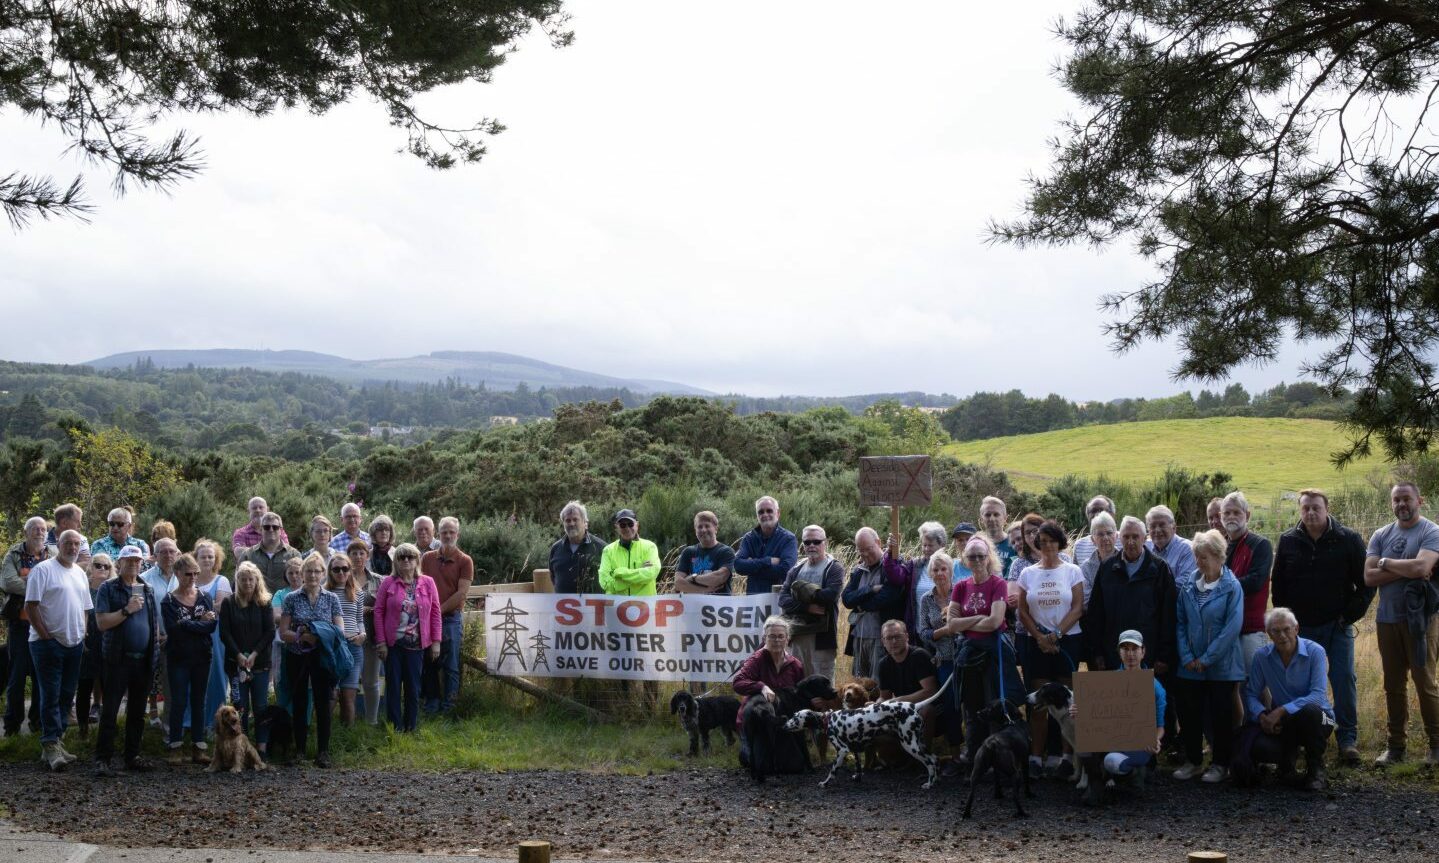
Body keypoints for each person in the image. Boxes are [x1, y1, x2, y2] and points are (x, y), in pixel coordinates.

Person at [1271, 488, 1372, 764]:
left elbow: (1366, 584)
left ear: (1327, 508)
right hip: (1300, 630)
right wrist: (1288, 622)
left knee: (1343, 680)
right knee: (1301, 686)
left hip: (1336, 625)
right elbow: (1278, 586)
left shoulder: (1347, 539)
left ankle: (1347, 740)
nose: (1311, 513)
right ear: (1300, 510)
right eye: (1305, 508)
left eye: (1316, 507)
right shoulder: (1288, 540)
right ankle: (1305, 737)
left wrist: (1347, 616)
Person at [1084, 515, 1179, 750]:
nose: (1131, 542)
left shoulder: (1159, 569)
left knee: (1152, 704)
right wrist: (1096, 652)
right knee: (1119, 707)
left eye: (1136, 537)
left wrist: (1164, 655)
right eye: (1126, 537)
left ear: (1145, 538)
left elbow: (1169, 616)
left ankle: (1158, 749)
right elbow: (1096, 614)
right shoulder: (1107, 568)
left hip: (1150, 653)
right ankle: (1120, 749)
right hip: (1113, 651)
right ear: (1119, 538)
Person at [1364, 481, 1439, 766]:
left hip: (1421, 621)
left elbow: (1422, 568)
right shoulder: (1381, 534)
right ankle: (1396, 747)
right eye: (1396, 500)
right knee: (1393, 684)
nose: (1401, 505)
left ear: (1420, 500)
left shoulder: (1431, 531)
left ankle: (1436, 745)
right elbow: (1369, 578)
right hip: (1387, 619)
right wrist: (1403, 566)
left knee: (1425, 682)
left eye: (1406, 499)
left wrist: (1385, 562)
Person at [935, 534, 1024, 765]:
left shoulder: (998, 583)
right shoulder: (961, 587)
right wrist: (979, 618)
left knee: (995, 706)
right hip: (969, 654)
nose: (976, 560)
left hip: (994, 652)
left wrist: (966, 621)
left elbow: (995, 622)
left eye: (980, 556)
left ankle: (1000, 761)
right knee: (971, 710)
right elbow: (951, 626)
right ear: (965, 559)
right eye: (971, 556)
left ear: (988, 558)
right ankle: (975, 760)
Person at [1171, 529, 1245, 784]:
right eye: (1197, 557)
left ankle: (1220, 763)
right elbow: (1180, 622)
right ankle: (1192, 761)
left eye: (1204, 557)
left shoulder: (1232, 586)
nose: (1199, 562)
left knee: (1220, 716)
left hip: (1221, 666)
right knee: (1189, 715)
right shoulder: (1190, 584)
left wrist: (1207, 659)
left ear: (1219, 556)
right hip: (1189, 665)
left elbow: (1232, 628)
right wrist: (1187, 656)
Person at [1016, 520, 1085, 776]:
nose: (1046, 545)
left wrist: (1056, 634)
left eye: (1051, 540)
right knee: (1038, 702)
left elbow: (1078, 608)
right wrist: (1040, 637)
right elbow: (1022, 611)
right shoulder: (1027, 574)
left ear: (1060, 542)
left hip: (1068, 640)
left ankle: (1068, 756)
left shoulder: (1073, 571)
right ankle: (1036, 757)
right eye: (1042, 541)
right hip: (1037, 643)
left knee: (1068, 703)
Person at [1238, 608, 1335, 790]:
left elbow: (1317, 695)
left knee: (1309, 712)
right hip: (1284, 723)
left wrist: (1281, 710)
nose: (1282, 636)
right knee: (1258, 746)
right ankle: (1286, 766)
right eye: (1276, 631)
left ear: (1296, 629)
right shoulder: (1262, 657)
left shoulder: (1316, 652)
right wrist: (1262, 716)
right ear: (1268, 634)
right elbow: (1251, 693)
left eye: (1286, 629)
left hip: (1320, 717)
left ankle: (1316, 769)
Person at [92, 545, 162, 775]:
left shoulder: (148, 588)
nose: (133, 564)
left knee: (137, 713)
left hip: (143, 660)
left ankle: (132, 756)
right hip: (117, 659)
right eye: (128, 560)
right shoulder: (108, 588)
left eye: (137, 561)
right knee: (110, 711)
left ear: (142, 563)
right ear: (119, 563)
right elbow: (101, 623)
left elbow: (153, 623)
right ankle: (102, 760)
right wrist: (126, 610)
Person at [24, 529, 91, 770]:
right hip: (47, 644)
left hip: (74, 644)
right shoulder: (43, 570)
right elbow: (31, 607)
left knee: (66, 695)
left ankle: (57, 740)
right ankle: (50, 743)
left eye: (76, 544)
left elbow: (85, 607)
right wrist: (46, 637)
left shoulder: (80, 574)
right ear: (59, 545)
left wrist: (82, 633)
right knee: (50, 695)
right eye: (68, 543)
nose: (72, 548)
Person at [1075, 630, 1166, 804]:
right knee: (1084, 745)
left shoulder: (1155, 686)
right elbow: (1093, 713)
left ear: (1143, 651)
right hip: (1112, 739)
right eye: (1125, 649)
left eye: (1135, 649)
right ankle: (1095, 785)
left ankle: (1134, 774)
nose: (1130, 654)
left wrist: (1155, 739)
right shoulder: (1107, 681)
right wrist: (1078, 710)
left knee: (1112, 761)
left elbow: (1160, 725)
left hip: (1139, 742)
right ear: (1119, 653)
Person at [278, 553, 345, 767]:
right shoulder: (291, 598)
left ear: (323, 574)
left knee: (323, 702)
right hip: (297, 656)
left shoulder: (332, 598)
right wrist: (302, 636)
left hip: (323, 657)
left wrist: (320, 634)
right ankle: (299, 750)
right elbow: (283, 632)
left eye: (317, 571)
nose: (313, 575)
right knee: (299, 702)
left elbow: (340, 630)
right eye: (309, 571)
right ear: (302, 574)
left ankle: (323, 752)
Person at [375, 542, 441, 732]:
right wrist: (381, 642)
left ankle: (411, 726)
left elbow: (435, 612)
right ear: (396, 561)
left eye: (410, 557)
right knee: (394, 687)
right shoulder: (388, 582)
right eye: (401, 557)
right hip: (393, 644)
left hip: (417, 645)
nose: (406, 560)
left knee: (413, 688)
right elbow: (379, 612)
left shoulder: (428, 582)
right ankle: (395, 727)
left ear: (416, 560)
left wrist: (436, 642)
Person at [161, 552, 217, 764]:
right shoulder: (168, 601)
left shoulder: (204, 597)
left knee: (198, 701)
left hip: (202, 656)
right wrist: (197, 622)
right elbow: (173, 631)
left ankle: (198, 746)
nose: (192, 578)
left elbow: (211, 626)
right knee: (178, 701)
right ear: (177, 573)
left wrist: (186, 623)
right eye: (187, 574)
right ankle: (175, 747)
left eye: (195, 573)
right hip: (178, 658)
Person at [732, 616, 808, 770]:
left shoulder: (796, 665)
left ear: (787, 639)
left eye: (781, 636)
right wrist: (761, 686)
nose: (777, 640)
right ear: (764, 638)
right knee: (762, 766)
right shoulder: (756, 659)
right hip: (756, 720)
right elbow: (738, 682)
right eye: (772, 636)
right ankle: (747, 750)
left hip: (780, 720)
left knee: (794, 767)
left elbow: (799, 694)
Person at [421, 516, 474, 713]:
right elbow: (420, 586)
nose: (448, 535)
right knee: (430, 662)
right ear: (438, 534)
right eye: (444, 532)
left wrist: (437, 611)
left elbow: (462, 593)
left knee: (451, 664)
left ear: (457, 535)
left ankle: (450, 706)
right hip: (427, 619)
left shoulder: (465, 561)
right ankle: (432, 703)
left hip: (451, 618)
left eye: (452, 532)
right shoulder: (427, 558)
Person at [777, 525, 844, 680]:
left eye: (816, 541)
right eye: (807, 542)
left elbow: (831, 595)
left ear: (825, 543)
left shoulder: (834, 567)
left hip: (821, 639)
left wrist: (804, 593)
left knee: (822, 688)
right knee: (797, 685)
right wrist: (807, 607)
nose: (811, 545)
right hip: (797, 637)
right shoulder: (796, 569)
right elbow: (783, 599)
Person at [2, 515, 48, 736]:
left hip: (44, 624)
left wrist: (28, 581)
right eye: (35, 529)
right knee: (16, 677)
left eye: (42, 529)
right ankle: (11, 727)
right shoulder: (13, 554)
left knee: (41, 676)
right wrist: (40, 584)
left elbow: (58, 581)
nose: (39, 532)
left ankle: (37, 723)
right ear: (26, 532)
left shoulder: (53, 554)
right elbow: (7, 582)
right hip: (19, 625)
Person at [219, 562, 274, 747]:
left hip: (260, 663)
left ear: (257, 580)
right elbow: (224, 633)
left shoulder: (265, 602)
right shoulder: (229, 603)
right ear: (238, 580)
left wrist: (255, 654)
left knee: (260, 706)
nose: (247, 583)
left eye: (251, 579)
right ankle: (241, 746)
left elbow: (270, 632)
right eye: (243, 579)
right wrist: (238, 655)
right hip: (236, 665)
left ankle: (261, 746)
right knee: (239, 708)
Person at [916, 550, 963, 761]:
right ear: (931, 573)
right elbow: (923, 632)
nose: (940, 573)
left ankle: (974, 751)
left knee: (970, 705)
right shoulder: (926, 599)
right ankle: (955, 755)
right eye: (935, 569)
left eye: (944, 568)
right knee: (951, 707)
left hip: (967, 656)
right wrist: (944, 631)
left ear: (951, 571)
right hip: (943, 660)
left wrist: (958, 627)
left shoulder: (962, 591)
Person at [1221, 491, 1274, 672]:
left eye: (1237, 512)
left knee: (1254, 685)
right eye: (1226, 513)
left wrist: (1220, 586)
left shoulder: (1260, 545)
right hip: (1225, 631)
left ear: (1248, 515)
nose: (1231, 517)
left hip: (1250, 629)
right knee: (1231, 688)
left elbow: (1255, 582)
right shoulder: (1220, 547)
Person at [842, 527, 902, 678]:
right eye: (861, 550)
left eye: (869, 549)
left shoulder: (892, 565)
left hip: (881, 638)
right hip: (859, 637)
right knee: (859, 686)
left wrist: (861, 605)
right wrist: (871, 589)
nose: (866, 554)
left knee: (878, 683)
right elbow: (847, 599)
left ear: (878, 543)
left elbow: (887, 597)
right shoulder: (858, 570)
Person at [192, 538, 232, 738]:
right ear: (195, 558)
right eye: (203, 556)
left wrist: (193, 610)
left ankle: (214, 724)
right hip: (191, 636)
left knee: (216, 677)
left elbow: (220, 607)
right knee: (194, 679)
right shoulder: (189, 579)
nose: (207, 560)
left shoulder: (221, 581)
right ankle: (192, 723)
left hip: (215, 635)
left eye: (211, 556)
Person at [883, 521, 950, 637]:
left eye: (930, 545)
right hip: (919, 632)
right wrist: (890, 552)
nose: (926, 549)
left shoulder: (951, 566)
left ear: (942, 545)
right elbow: (896, 577)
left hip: (947, 634)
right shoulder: (915, 565)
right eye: (924, 545)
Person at [141, 537, 180, 728]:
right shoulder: (145, 579)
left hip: (176, 638)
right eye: (163, 552)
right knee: (151, 676)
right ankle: (153, 712)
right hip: (153, 636)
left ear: (177, 553)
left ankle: (171, 718)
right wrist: (155, 634)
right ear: (155, 556)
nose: (168, 555)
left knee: (172, 680)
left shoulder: (184, 576)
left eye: (172, 551)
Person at [326, 552, 367, 726]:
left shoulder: (357, 593)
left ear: (350, 571)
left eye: (345, 569)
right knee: (331, 694)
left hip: (354, 646)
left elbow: (359, 619)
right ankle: (324, 733)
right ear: (330, 571)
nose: (341, 572)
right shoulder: (324, 592)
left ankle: (348, 737)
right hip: (333, 647)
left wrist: (363, 635)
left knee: (349, 694)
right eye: (337, 569)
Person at [345, 538, 383, 725]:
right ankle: (347, 721)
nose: (358, 557)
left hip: (372, 637)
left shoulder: (379, 580)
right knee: (347, 684)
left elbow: (384, 607)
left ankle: (372, 722)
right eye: (354, 553)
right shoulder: (341, 578)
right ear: (348, 556)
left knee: (370, 682)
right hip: (348, 639)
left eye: (362, 553)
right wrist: (365, 609)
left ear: (367, 556)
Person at [76, 553, 111, 736]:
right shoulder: (82, 587)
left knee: (108, 686)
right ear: (91, 567)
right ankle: (83, 729)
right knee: (84, 686)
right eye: (98, 565)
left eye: (106, 566)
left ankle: (107, 730)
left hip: (107, 642)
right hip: (87, 642)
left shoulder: (112, 588)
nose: (102, 569)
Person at [733, 496, 797, 595]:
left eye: (769, 511)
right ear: (757, 516)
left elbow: (786, 570)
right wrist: (768, 561)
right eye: (761, 512)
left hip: (778, 599)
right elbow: (738, 565)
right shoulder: (749, 538)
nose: (765, 514)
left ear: (778, 513)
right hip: (753, 600)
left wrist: (752, 568)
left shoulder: (788, 538)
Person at [597, 509, 660, 596]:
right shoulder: (608, 550)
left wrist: (619, 572)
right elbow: (605, 583)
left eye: (630, 524)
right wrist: (638, 575)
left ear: (637, 525)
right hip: (617, 607)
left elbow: (650, 574)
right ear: (616, 527)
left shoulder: (650, 547)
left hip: (644, 607)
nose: (627, 528)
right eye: (623, 525)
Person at [549, 501, 607, 594]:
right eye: (568, 520)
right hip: (563, 606)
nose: (571, 523)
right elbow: (553, 577)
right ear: (563, 524)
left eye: (575, 519)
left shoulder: (601, 548)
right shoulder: (556, 548)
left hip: (592, 607)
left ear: (585, 522)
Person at [270, 557, 304, 715]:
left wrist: (288, 619)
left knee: (304, 681)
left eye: (298, 572)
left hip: (305, 644)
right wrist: (299, 620)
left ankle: (303, 718)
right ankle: (283, 715)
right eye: (291, 573)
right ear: (286, 575)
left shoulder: (309, 591)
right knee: (283, 679)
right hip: (283, 644)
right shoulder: (280, 594)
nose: (295, 576)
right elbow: (276, 616)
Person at [236, 512, 300, 595]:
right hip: (255, 604)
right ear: (261, 530)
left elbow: (301, 583)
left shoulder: (293, 555)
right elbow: (238, 582)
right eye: (266, 527)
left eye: (275, 527)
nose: (271, 529)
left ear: (280, 530)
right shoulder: (248, 555)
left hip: (284, 604)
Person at [675, 511, 736, 595]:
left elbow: (719, 578)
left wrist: (693, 578)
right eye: (699, 527)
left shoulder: (726, 552)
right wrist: (703, 590)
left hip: (720, 606)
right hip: (694, 606)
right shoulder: (688, 552)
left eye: (707, 526)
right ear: (695, 531)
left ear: (716, 529)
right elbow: (678, 584)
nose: (703, 530)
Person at [1146, 505, 1198, 589]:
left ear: (1174, 527)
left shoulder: (1187, 549)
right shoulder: (1145, 548)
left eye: (1162, 525)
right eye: (1153, 526)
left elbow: (1183, 586)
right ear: (1148, 530)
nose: (1157, 530)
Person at [1078, 512, 1118, 608]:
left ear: (1116, 536)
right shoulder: (1086, 567)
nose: (1105, 538)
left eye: (1109, 533)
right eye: (1100, 534)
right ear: (1093, 539)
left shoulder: (1127, 561)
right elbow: (1086, 601)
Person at [1072, 496, 1116, 567]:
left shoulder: (1125, 539)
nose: (1097, 514)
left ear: (1112, 515)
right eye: (1093, 511)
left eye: (1101, 510)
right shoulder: (1080, 546)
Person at [979, 496, 1017, 577]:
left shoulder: (1015, 543)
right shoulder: (977, 544)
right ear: (982, 519)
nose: (992, 519)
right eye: (987, 515)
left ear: (1005, 518)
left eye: (996, 514)